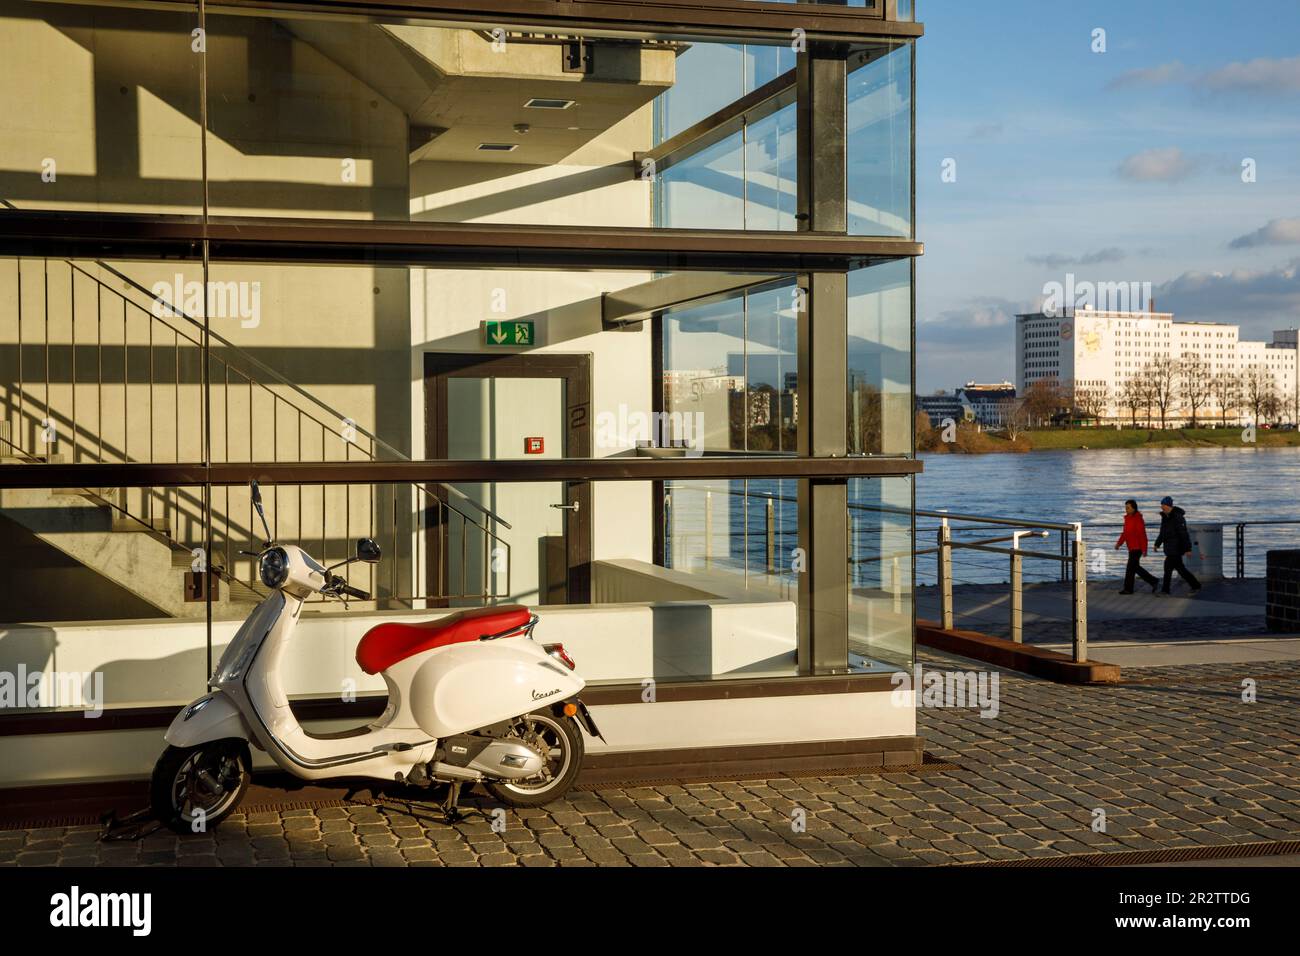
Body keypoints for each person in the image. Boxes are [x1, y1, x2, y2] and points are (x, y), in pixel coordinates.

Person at [1153, 495, 1201, 596]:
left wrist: (1188, 549)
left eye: (1164, 505)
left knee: (1169, 569)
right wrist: (1157, 544)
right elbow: (1162, 532)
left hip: (1176, 548)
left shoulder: (1178, 517)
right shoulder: (1165, 517)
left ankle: (1165, 591)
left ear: (1169, 506)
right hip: (1169, 548)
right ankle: (1196, 585)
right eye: (1161, 505)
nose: (1162, 507)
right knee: (1180, 569)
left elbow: (1184, 534)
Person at [1114, 499, 1158, 594]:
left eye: (1128, 507)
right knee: (1134, 568)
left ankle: (1129, 589)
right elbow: (1125, 533)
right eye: (1126, 507)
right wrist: (1119, 543)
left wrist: (1144, 549)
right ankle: (1153, 581)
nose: (1126, 509)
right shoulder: (1127, 518)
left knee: (1131, 567)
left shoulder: (1138, 519)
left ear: (1134, 508)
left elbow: (1142, 535)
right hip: (1131, 547)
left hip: (1137, 548)